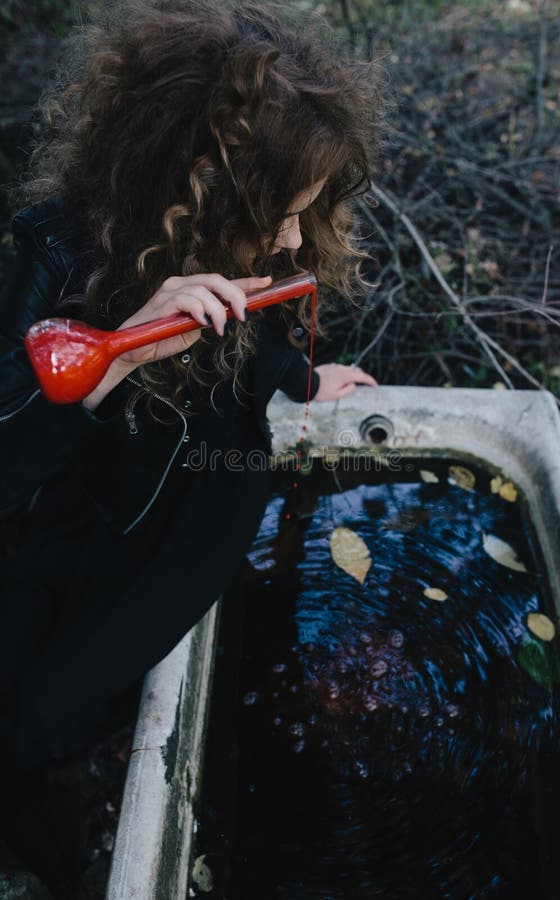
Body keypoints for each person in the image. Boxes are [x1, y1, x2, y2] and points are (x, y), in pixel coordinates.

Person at [0, 0, 382, 833]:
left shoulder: (276, 239)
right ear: (198, 188)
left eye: (304, 209)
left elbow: (273, 331)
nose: (290, 239)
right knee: (30, 724)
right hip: (92, 544)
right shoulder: (55, 251)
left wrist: (305, 384)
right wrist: (119, 349)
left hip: (206, 521)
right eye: (276, 211)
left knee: (111, 694)